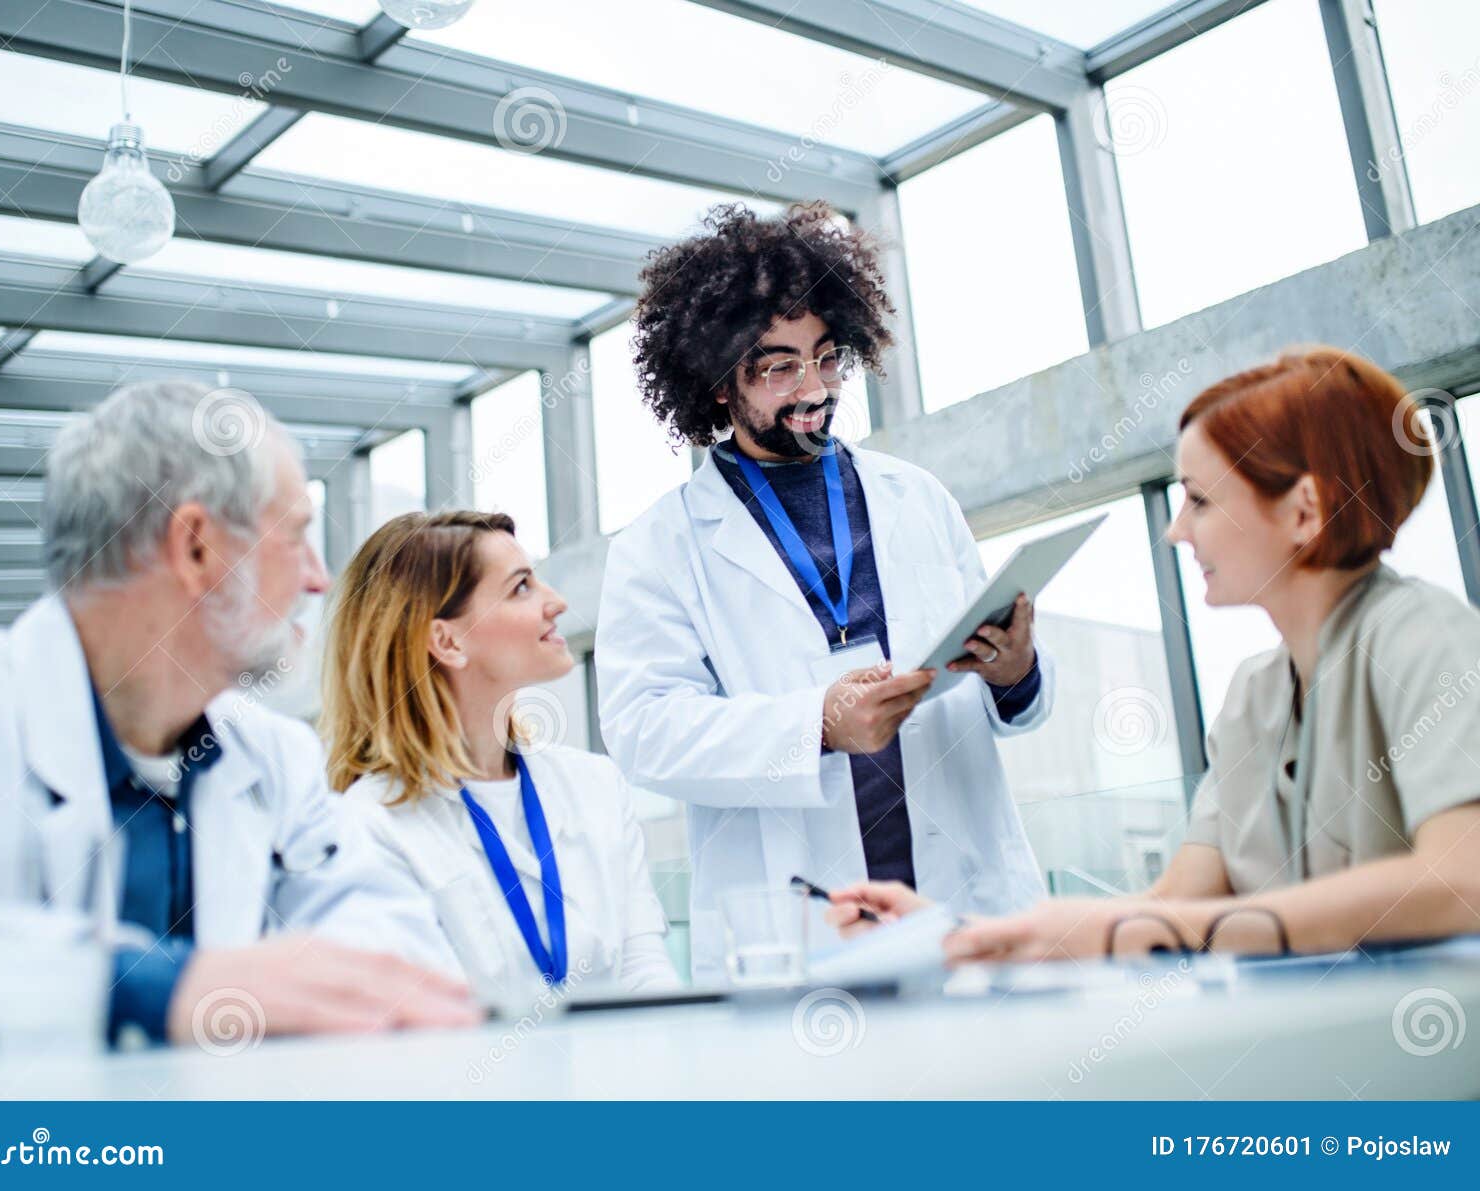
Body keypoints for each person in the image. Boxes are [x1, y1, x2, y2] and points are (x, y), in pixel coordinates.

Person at [826, 347, 1480, 960]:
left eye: (1199, 500)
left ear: (1304, 511)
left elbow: (1463, 880)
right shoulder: (1255, 694)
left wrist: (1207, 928)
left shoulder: (1424, 637)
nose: (1176, 528)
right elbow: (1170, 904)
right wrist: (957, 931)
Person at [0, 380, 478, 1045]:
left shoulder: (274, 758)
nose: (318, 578)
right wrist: (144, 988)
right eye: (297, 538)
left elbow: (394, 947)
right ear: (196, 546)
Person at [594, 203, 1054, 982]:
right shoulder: (661, 545)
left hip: (963, 897)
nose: (813, 389)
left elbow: (1000, 690)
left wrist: (1015, 673)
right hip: (797, 918)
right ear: (714, 385)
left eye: (828, 356)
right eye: (777, 367)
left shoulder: (918, 496)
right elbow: (643, 729)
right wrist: (816, 725)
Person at [322, 511, 677, 1002]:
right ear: (447, 641)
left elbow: (646, 973)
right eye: (521, 588)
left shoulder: (595, 785)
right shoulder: (370, 827)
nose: (556, 602)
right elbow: (420, 1030)